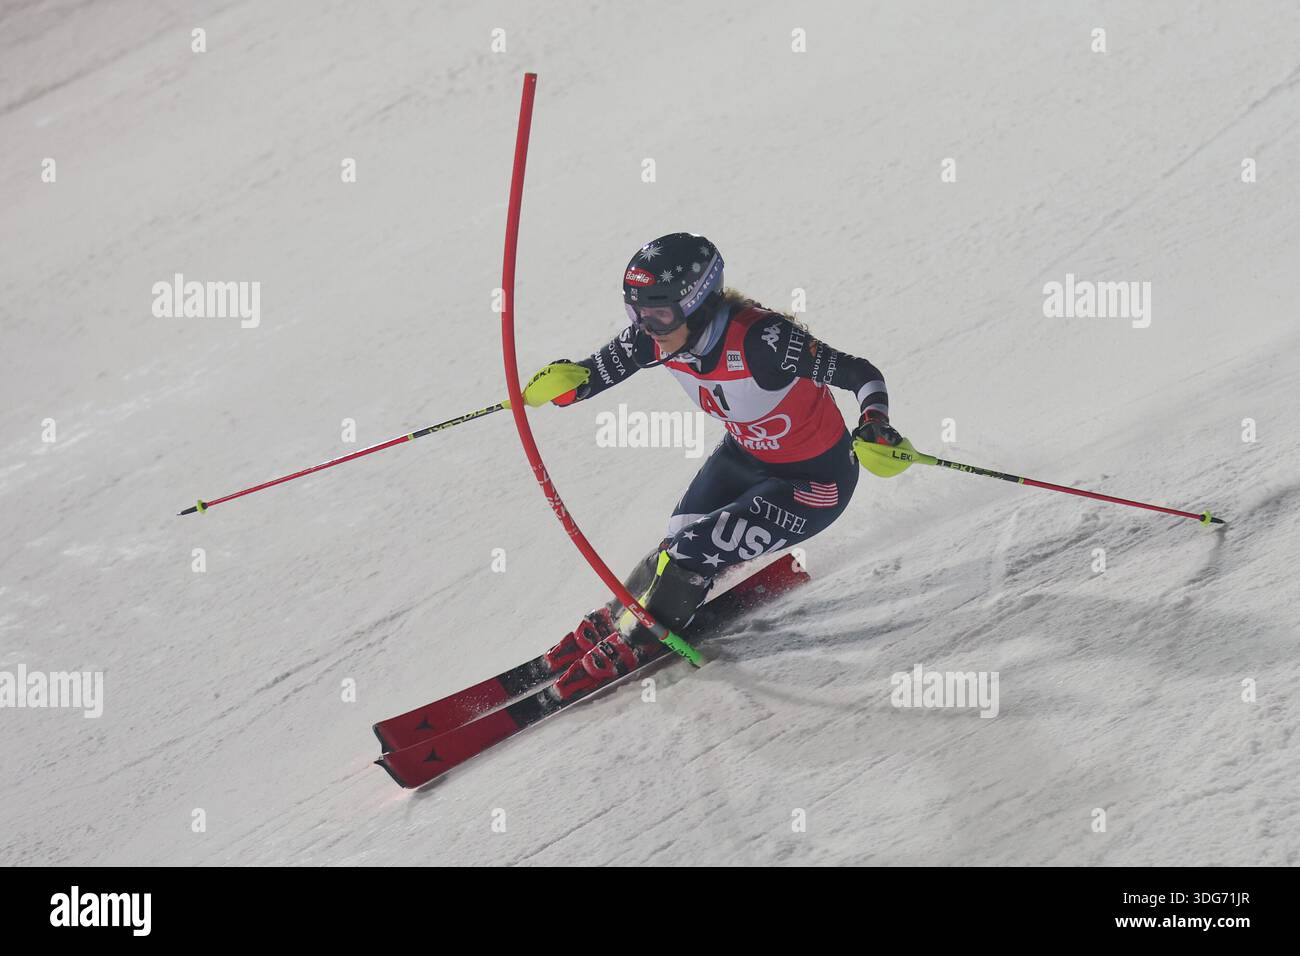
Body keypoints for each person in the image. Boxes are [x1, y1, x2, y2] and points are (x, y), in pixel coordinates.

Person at [522, 232, 905, 697]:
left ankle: (638, 637)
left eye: (658, 313)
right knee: (677, 539)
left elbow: (861, 373)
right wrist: (570, 384)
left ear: (697, 303)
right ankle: (626, 613)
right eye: (636, 313)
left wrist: (874, 424)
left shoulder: (764, 341)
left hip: (812, 484)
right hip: (744, 460)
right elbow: (599, 370)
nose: (647, 327)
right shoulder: (659, 337)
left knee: (690, 549)